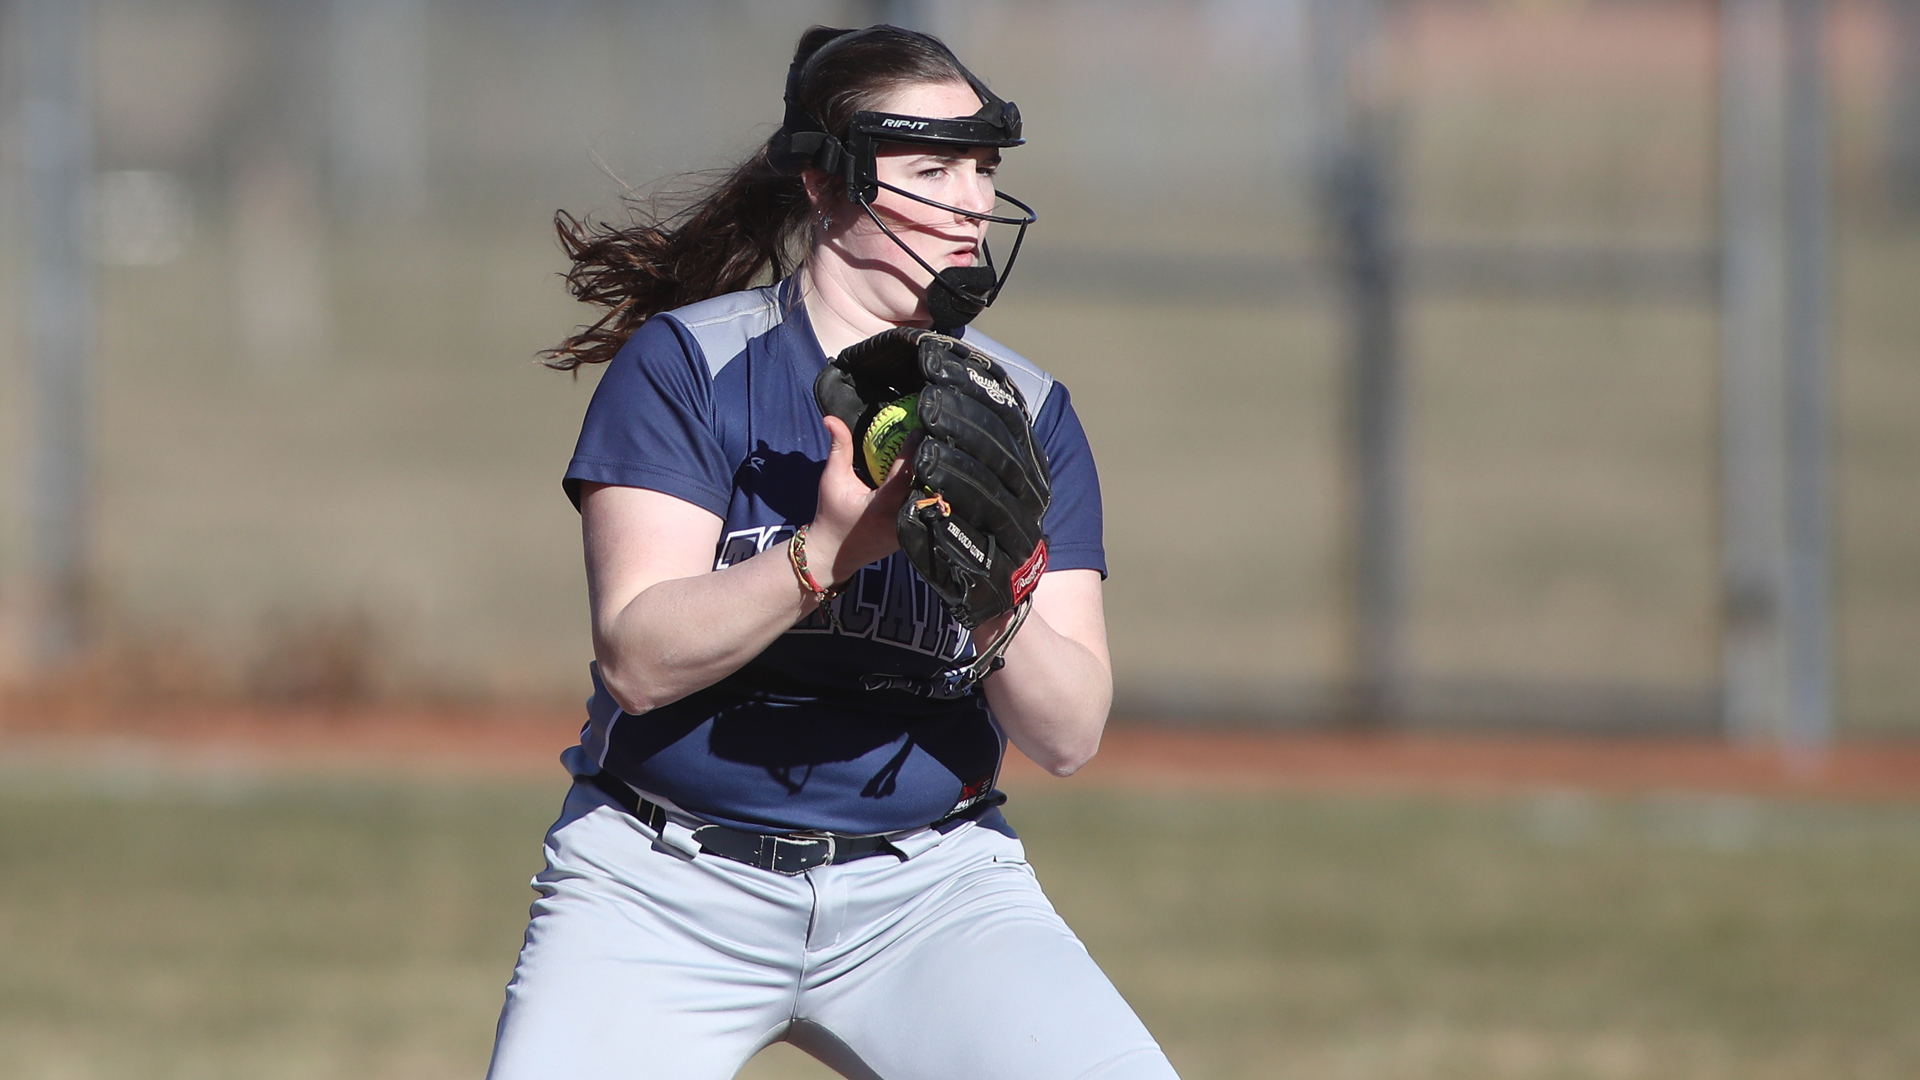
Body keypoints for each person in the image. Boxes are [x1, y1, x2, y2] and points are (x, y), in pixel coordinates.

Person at [485, 24, 1180, 1080]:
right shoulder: (692, 366)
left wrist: (992, 590)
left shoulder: (1023, 412)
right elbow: (637, 657)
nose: (970, 203)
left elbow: (1072, 731)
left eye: (982, 168)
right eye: (932, 167)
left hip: (930, 892)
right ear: (822, 185)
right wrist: (825, 550)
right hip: (662, 880)